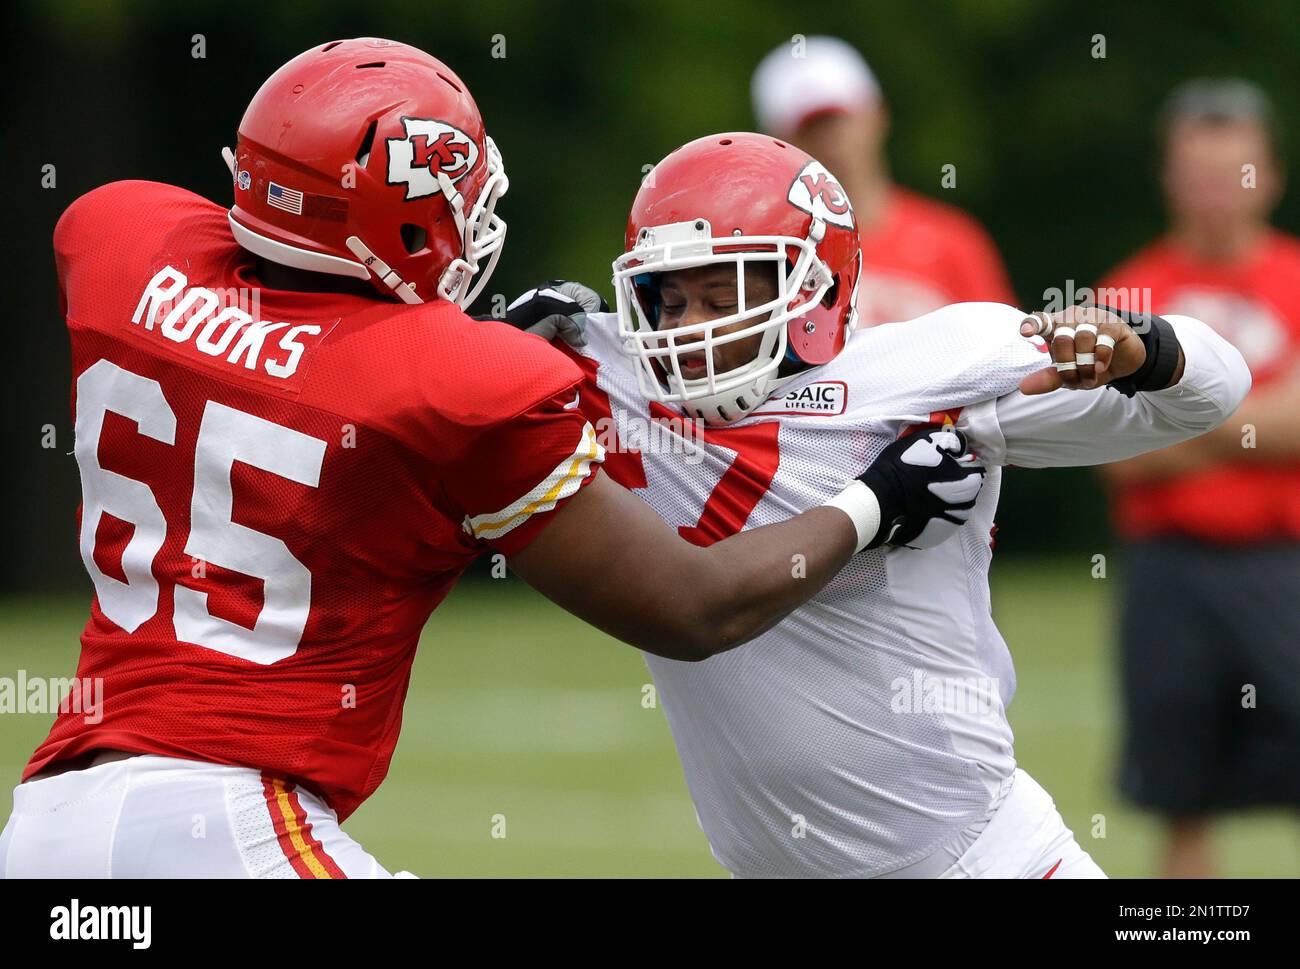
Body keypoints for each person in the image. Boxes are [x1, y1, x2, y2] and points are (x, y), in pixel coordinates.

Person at [0, 41, 984, 879]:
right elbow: (693, 607)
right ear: (396, 218)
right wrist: (874, 502)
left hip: (48, 821)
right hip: (229, 824)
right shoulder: (454, 381)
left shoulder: (121, 240)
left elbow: (252, 296)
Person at [515, 131, 1252, 877]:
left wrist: (1143, 346)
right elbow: (417, 402)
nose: (686, 329)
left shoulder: (919, 373)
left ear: (814, 289)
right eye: (668, 298)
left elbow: (1215, 393)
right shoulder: (603, 381)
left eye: (723, 294)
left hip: (980, 858)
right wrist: (494, 353)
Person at [1097, 79, 1300, 878]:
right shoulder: (1125, 295)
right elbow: (1112, 453)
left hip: (1284, 567)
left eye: (1237, 174)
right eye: (1200, 174)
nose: (1218, 194)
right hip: (1168, 572)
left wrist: (1174, 419)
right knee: (1178, 795)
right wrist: (1260, 424)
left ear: (1272, 177)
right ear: (1169, 179)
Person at [751, 35, 1014, 326]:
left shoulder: (952, 241)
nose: (830, 142)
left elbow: (1002, 350)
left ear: (878, 114)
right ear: (778, 144)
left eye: (838, 121)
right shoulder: (767, 257)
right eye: (809, 130)